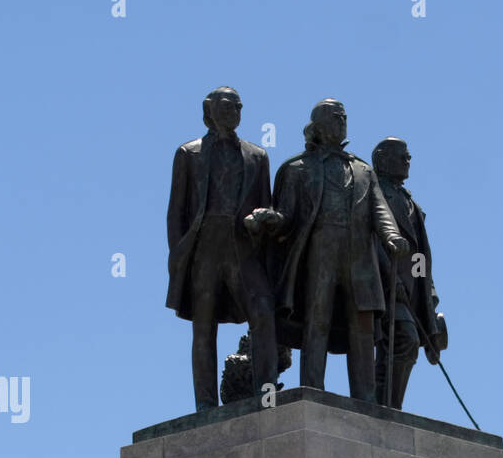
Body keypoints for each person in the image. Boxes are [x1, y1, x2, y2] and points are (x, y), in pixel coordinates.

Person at [266, 100, 407, 401]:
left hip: (359, 256)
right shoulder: (297, 169)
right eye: (334, 117)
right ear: (317, 127)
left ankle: (365, 398)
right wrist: (270, 219)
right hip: (319, 252)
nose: (341, 120)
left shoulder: (363, 170)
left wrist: (392, 237)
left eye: (343, 116)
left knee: (362, 327)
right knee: (317, 321)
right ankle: (313, 389)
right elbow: (286, 216)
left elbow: (380, 211)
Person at [166, 87, 279, 411]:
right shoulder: (188, 153)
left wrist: (265, 218)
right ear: (210, 109)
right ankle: (205, 404)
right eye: (229, 106)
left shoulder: (257, 156)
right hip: (204, 246)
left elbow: (265, 203)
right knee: (204, 326)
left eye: (239, 106)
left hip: (243, 245)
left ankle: (266, 396)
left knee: (263, 314)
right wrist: (178, 255)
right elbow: (176, 212)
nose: (235, 111)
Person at [371, 138, 447, 410]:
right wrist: (389, 277)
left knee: (403, 346)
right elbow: (371, 238)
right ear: (380, 159)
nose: (408, 161)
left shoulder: (410, 202)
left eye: (409, 156)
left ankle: (389, 406)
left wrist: (430, 293)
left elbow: (421, 254)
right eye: (401, 156)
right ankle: (385, 406)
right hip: (382, 283)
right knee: (403, 339)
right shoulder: (373, 191)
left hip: (412, 289)